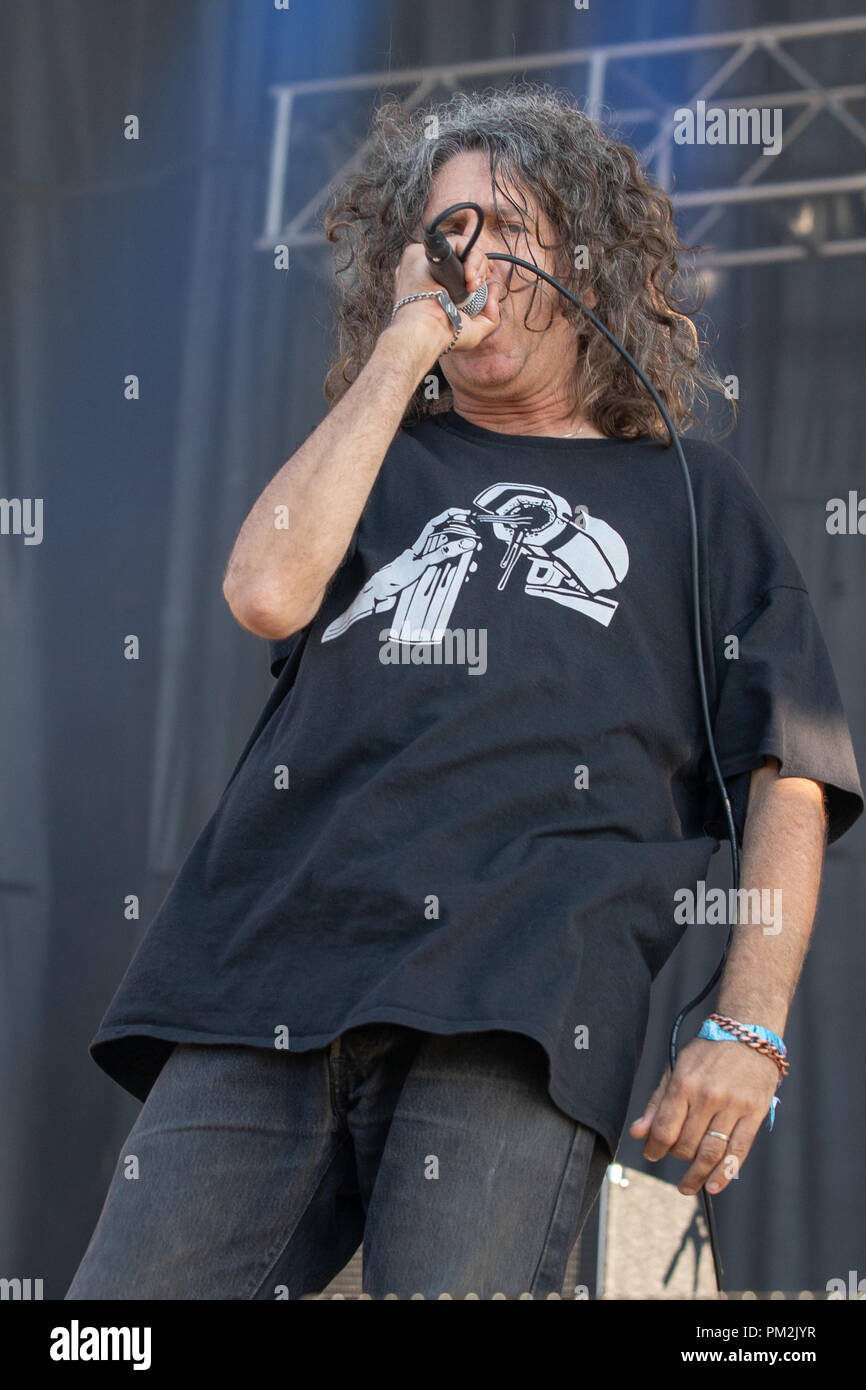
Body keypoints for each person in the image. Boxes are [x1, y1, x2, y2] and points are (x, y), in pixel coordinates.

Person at [66, 85, 862, 1300]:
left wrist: (744, 1027)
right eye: (444, 235)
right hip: (261, 978)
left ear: (584, 256)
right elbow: (266, 591)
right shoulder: (377, 453)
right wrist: (398, 352)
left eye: (505, 229)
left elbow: (789, 772)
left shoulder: (691, 496)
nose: (472, 261)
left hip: (519, 1004)